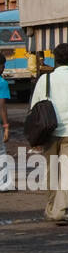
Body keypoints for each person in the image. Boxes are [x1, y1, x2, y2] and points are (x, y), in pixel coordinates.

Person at [28, 44, 68, 224]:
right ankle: (60, 210)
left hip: (48, 131)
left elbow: (35, 107)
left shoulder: (45, 80)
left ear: (54, 58)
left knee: (51, 171)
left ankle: (51, 209)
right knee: (67, 171)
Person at [0, 54, 11, 192]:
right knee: (1, 152)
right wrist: (6, 126)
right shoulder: (2, 82)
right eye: (2, 66)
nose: (3, 69)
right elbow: (1, 106)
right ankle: (2, 183)